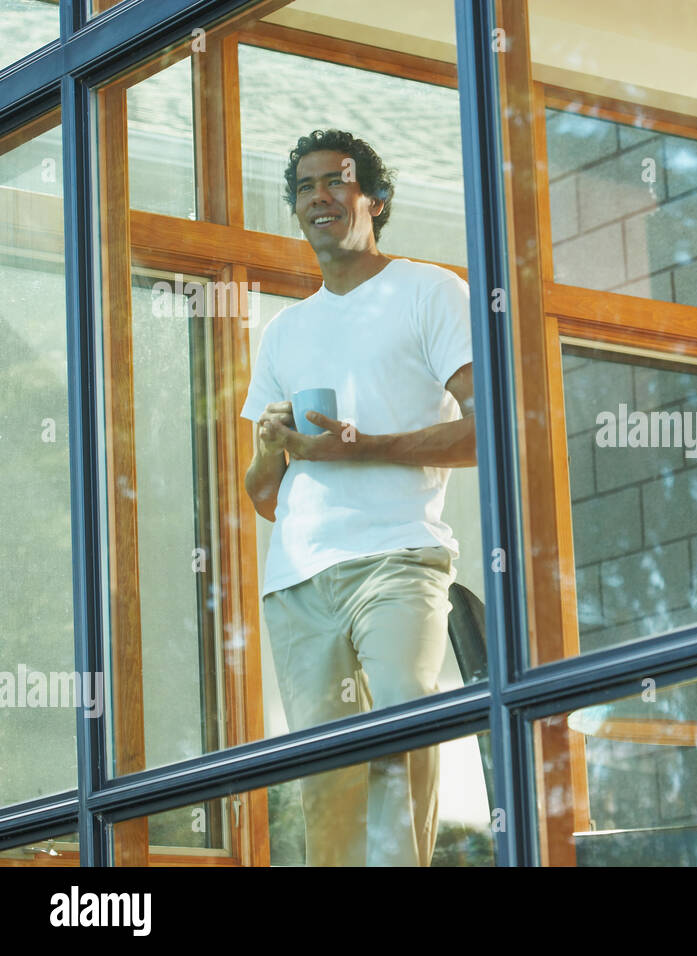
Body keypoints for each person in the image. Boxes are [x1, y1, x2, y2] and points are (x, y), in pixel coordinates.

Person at [240, 128, 475, 866]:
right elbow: (262, 495)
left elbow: (488, 432)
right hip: (300, 579)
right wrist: (271, 445)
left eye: (336, 182)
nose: (320, 197)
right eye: (306, 188)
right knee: (327, 778)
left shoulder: (430, 291)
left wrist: (363, 448)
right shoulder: (285, 331)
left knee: (406, 717)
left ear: (373, 199)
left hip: (399, 556)